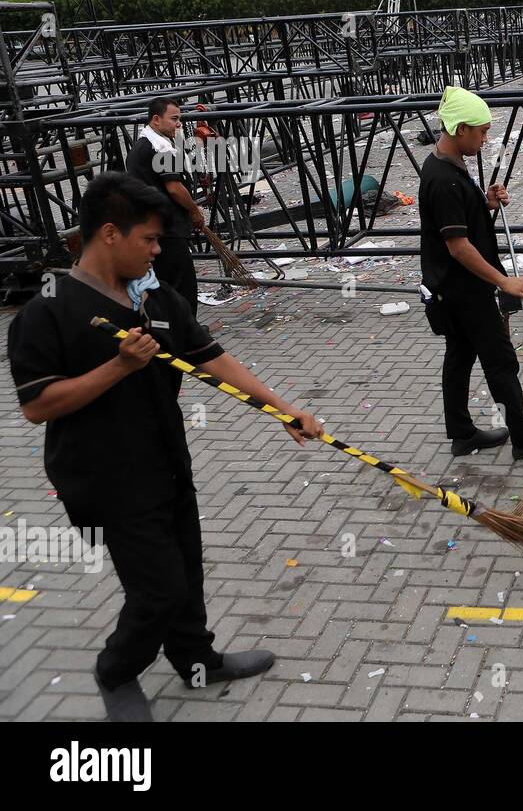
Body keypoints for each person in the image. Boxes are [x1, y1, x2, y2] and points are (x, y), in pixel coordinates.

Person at [7, 173, 324, 721]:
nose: (157, 250)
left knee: (186, 571)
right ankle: (116, 671)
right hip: (102, 478)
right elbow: (38, 406)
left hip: (166, 462)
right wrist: (119, 366)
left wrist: (282, 408)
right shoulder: (48, 310)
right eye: (149, 239)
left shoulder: (152, 294)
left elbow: (209, 356)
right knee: (156, 590)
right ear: (109, 233)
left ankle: (196, 660)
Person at [418, 85, 523, 459]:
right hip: (466, 293)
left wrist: (483, 203)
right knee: (501, 361)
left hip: (449, 289)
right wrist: (503, 281)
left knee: (459, 356)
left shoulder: (445, 164)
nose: (486, 139)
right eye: (482, 131)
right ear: (459, 129)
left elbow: (459, 228)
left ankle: (463, 434)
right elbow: (458, 247)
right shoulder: (444, 180)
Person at [125, 96, 203, 316]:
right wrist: (194, 210)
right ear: (156, 119)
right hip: (167, 227)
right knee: (182, 282)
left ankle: (169, 328)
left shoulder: (141, 144)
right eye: (174, 119)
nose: (179, 124)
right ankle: (186, 332)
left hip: (150, 225)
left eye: (180, 118)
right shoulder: (161, 148)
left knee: (162, 281)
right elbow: (174, 188)